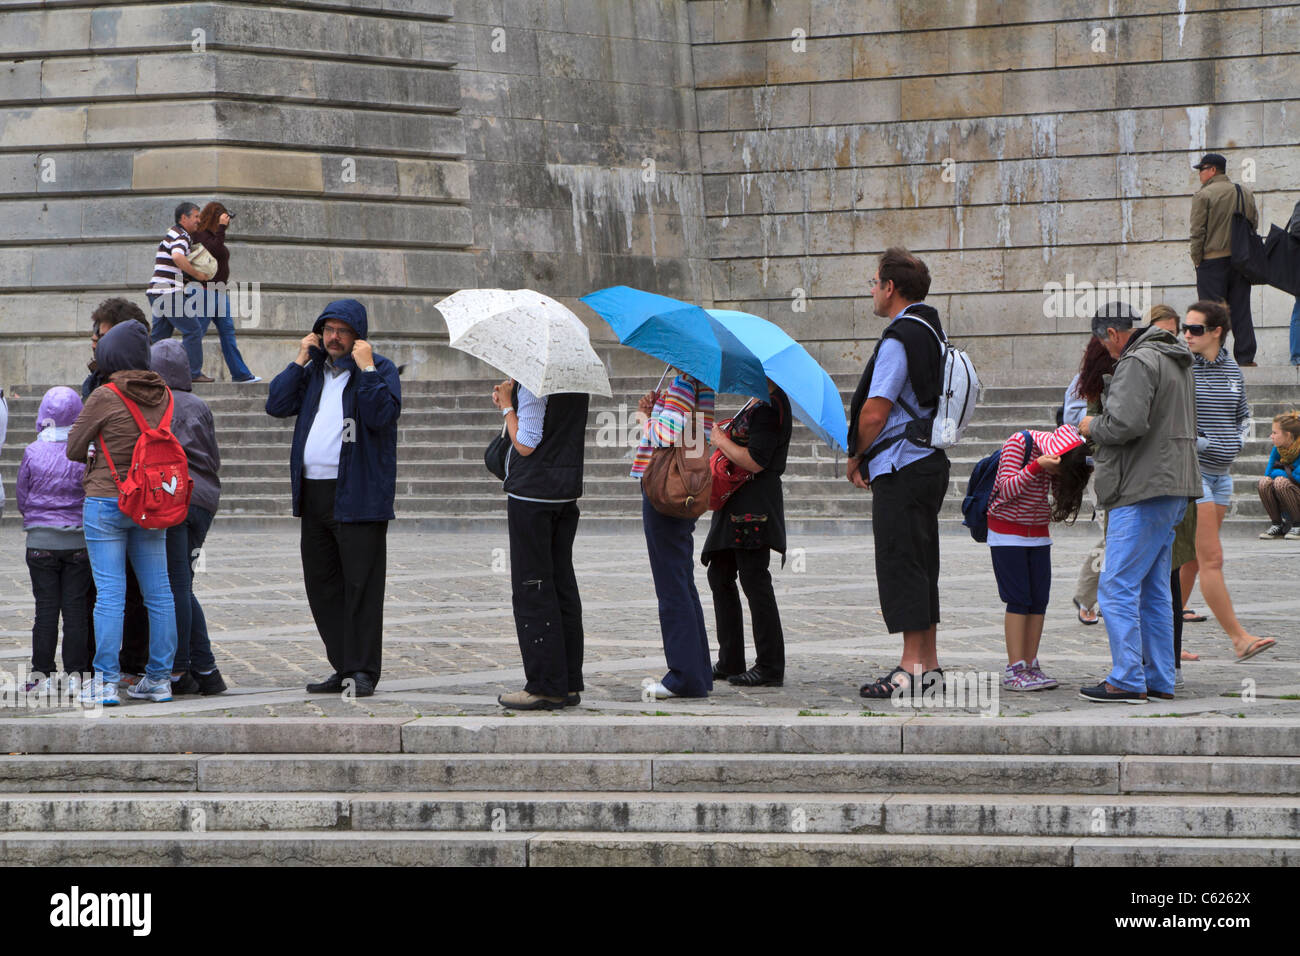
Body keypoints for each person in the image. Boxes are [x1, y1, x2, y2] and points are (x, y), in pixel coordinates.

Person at [265, 300, 400, 698]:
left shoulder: (380, 370)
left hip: (358, 493)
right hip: (315, 494)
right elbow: (275, 404)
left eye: (342, 330)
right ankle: (342, 665)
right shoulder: (312, 374)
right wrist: (298, 360)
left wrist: (368, 367)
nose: (334, 337)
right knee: (322, 586)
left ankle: (362, 671)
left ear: (358, 336)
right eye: (328, 330)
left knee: (361, 586)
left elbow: (380, 417)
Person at [1078, 306, 1201, 703]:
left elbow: (1125, 425)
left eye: (1102, 341)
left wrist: (1089, 426)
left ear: (1113, 333)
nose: (1105, 350)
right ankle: (1160, 677)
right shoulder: (1174, 357)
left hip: (1143, 484)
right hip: (1173, 483)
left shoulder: (1137, 360)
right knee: (1153, 589)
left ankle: (1128, 678)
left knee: (1116, 585)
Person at [846, 247, 949, 700]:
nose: (871, 290)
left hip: (900, 462)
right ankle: (929, 663)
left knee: (901, 561)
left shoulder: (898, 337)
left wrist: (855, 454)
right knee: (923, 562)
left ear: (890, 288)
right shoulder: (932, 331)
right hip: (928, 461)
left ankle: (908, 669)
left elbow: (875, 410)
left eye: (873, 282)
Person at [67, 321, 180, 706]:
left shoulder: (105, 394)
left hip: (107, 500)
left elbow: (73, 447)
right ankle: (160, 679)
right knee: (159, 593)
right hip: (151, 502)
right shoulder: (164, 393)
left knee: (110, 594)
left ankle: (104, 681)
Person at [1176, 301, 1277, 661]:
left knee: (1189, 562)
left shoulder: (1232, 368)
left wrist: (1235, 442)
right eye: (1184, 328)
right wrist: (1206, 443)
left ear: (1216, 332)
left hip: (1222, 477)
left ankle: (1166, 640)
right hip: (1195, 474)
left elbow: (1243, 414)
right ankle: (1239, 638)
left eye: (1195, 329)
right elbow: (1176, 419)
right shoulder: (1184, 367)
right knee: (1211, 559)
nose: (1187, 334)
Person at [490, 377, 589, 710]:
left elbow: (527, 442)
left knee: (533, 587)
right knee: (561, 585)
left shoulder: (536, 381)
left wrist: (507, 405)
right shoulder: (577, 380)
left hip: (532, 494)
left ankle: (545, 685)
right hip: (564, 491)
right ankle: (567, 680)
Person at [986, 424, 1092, 691]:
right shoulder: (1019, 443)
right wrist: (1037, 467)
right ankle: (1015, 669)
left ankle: (1031, 665)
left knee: (1038, 601)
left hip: (1039, 533)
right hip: (1007, 533)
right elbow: (1004, 489)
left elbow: (1059, 496)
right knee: (1018, 599)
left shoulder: (1062, 461)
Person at [702, 379, 793, 688]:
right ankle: (731, 659)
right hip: (736, 503)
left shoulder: (769, 407)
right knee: (720, 575)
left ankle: (769, 666)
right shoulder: (757, 401)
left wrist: (721, 441)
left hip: (754, 506)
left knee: (754, 579)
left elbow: (756, 460)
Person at [150, 341, 227, 696]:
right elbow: (211, 456)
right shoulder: (199, 405)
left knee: (176, 585)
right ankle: (207, 671)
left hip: (173, 499)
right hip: (203, 502)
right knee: (184, 584)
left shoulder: (157, 404)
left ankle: (181, 669)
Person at [633, 370, 715, 700]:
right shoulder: (702, 382)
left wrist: (643, 419)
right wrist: (656, 407)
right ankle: (697, 672)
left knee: (671, 585)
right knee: (681, 580)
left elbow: (667, 434)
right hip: (685, 486)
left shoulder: (684, 380)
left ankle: (683, 675)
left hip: (665, 489)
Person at [16, 387, 90, 693]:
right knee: (75, 611)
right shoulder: (84, 452)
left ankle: (41, 673)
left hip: (40, 542)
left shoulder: (33, 451)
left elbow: (23, 495)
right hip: (78, 542)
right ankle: (77, 675)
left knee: (45, 610)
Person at [1147, 306, 1200, 678]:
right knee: (1151, 582)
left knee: (1168, 580)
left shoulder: (1182, 369)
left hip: (1173, 482)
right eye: (1162, 333)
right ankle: (1157, 666)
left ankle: (1168, 666)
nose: (1171, 339)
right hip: (1156, 481)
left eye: (1175, 332)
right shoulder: (1150, 366)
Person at [1065, 332, 1119, 625]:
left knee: (1115, 534)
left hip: (1109, 467)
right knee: (1112, 535)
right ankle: (1087, 595)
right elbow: (1076, 428)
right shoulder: (1088, 385)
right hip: (1100, 467)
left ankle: (1094, 596)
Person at [1189, 153, 1258, 366]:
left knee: (1211, 314)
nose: (1200, 174)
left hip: (1211, 262)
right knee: (1241, 310)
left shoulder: (1203, 195)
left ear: (1212, 170)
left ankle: (1213, 359)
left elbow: (1198, 231)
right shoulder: (1244, 192)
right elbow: (1253, 224)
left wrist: (1196, 259)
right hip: (1240, 262)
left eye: (1201, 169)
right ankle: (1246, 359)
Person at [190, 202, 260, 384]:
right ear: (216, 216)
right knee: (196, 333)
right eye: (224, 218)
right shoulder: (200, 235)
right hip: (205, 292)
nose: (227, 223)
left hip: (219, 292)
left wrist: (220, 229)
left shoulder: (213, 235)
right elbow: (212, 250)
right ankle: (188, 371)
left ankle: (241, 374)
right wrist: (221, 227)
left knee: (227, 332)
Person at [146, 201, 213, 383]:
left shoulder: (172, 233)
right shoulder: (182, 235)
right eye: (196, 216)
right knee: (193, 330)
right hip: (168, 292)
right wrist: (198, 274)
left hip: (157, 291)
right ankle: (193, 373)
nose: (199, 220)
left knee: (159, 337)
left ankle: (147, 372)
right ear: (184, 218)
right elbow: (177, 256)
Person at [1257, 411, 1300, 540]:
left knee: (1280, 481)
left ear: (1288, 435)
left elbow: (1297, 478)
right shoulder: (1278, 449)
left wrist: (1281, 473)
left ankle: (1298, 525)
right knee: (1264, 482)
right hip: (1286, 496)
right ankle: (1277, 525)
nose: (1271, 436)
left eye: (1275, 433)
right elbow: (1268, 475)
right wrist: (1285, 473)